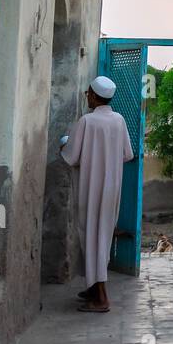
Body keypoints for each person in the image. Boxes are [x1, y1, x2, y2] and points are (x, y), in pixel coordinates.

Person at [61, 76, 134, 314]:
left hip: (91, 188)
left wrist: (63, 146)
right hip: (112, 188)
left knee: (92, 236)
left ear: (94, 96)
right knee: (101, 235)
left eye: (88, 93)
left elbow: (71, 157)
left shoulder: (87, 121)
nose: (87, 96)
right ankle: (93, 288)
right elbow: (127, 154)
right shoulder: (119, 120)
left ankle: (102, 298)